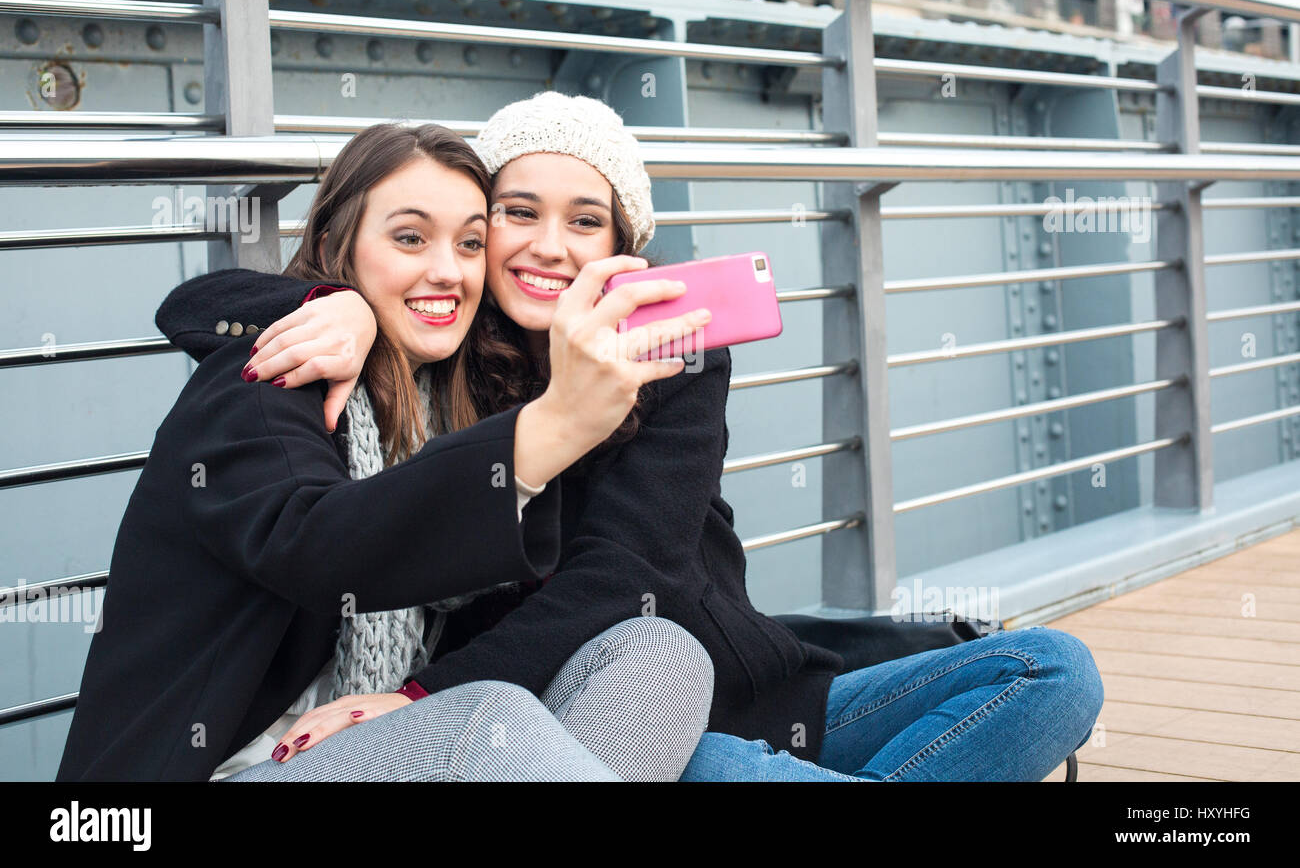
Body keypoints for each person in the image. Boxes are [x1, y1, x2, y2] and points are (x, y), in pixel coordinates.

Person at [155, 92, 1104, 781]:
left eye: (585, 220)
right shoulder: (442, 355)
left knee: (1054, 670)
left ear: (623, 247)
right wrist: (344, 306)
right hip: (591, 723)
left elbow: (635, 572)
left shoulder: (676, 356)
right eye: (517, 215)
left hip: (749, 692)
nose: (548, 245)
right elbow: (208, 306)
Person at [57, 121, 714, 782]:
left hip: (377, 745)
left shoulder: (456, 396)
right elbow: (319, 545)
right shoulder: (269, 376)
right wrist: (552, 427)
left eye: (469, 244)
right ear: (332, 244)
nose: (446, 271)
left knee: (661, 655)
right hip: (220, 773)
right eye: (409, 238)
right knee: (483, 725)